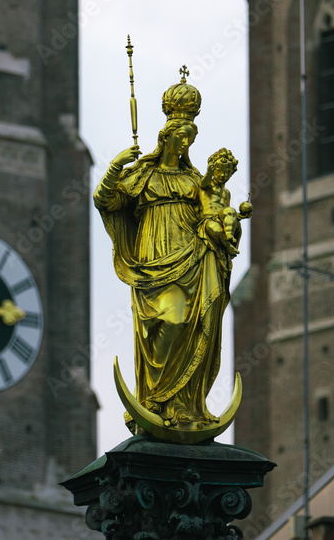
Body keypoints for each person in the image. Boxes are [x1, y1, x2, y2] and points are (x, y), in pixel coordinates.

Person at [94, 71, 238, 432]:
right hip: (153, 261)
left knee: (197, 322)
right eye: (179, 138)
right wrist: (115, 166)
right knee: (169, 321)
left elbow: (209, 217)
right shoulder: (143, 175)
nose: (184, 146)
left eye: (190, 140)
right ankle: (153, 400)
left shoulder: (195, 182)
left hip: (191, 259)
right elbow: (105, 200)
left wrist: (224, 227)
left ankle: (184, 407)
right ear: (166, 137)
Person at [199, 148, 241, 257]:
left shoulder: (227, 192)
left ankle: (229, 236)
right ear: (214, 171)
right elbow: (203, 184)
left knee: (232, 215)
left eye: (227, 173)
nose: (223, 175)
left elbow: (228, 212)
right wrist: (208, 173)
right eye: (219, 172)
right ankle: (227, 245)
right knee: (214, 229)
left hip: (222, 219)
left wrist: (240, 215)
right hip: (209, 218)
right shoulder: (208, 185)